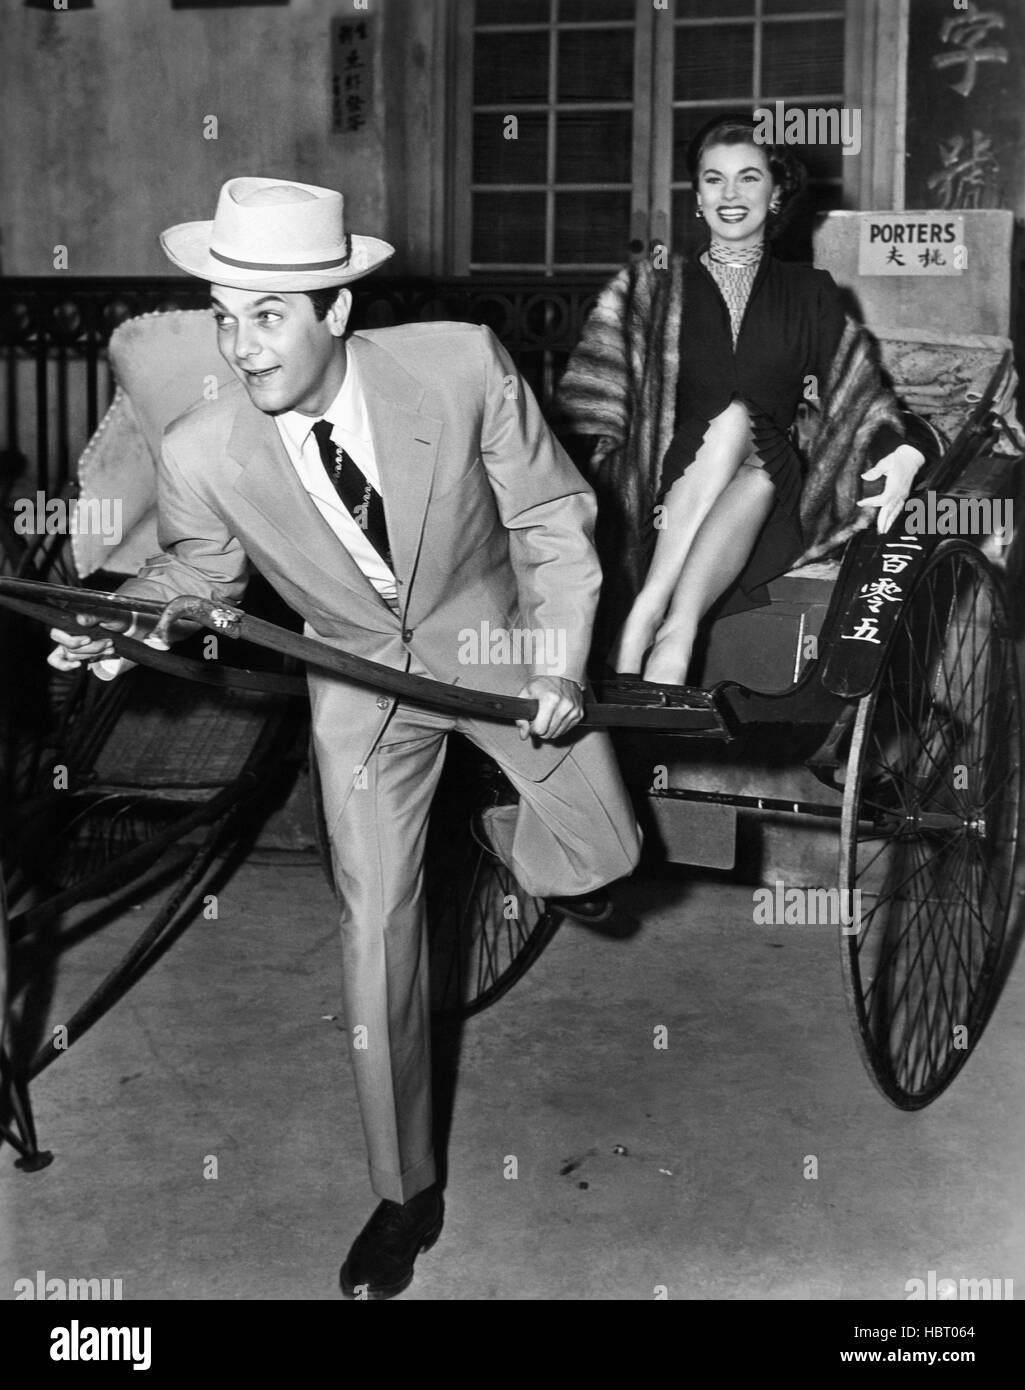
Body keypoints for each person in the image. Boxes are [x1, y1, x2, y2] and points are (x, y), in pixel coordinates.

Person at [49, 177, 641, 1299]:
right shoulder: (203, 450)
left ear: (336, 310)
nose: (242, 344)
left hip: (495, 643)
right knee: (374, 926)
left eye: (267, 314)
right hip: (356, 678)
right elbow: (198, 573)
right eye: (225, 315)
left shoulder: (458, 366)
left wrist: (559, 659)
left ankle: (515, 832)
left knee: (608, 853)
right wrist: (121, 622)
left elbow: (550, 517)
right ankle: (403, 1189)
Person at [555, 113, 929, 684]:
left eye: (749, 178)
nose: (730, 195)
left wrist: (902, 449)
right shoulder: (651, 286)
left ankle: (657, 629)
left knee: (755, 456)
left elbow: (858, 391)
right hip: (656, 486)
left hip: (768, 494)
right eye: (713, 179)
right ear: (698, 196)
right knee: (733, 422)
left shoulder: (811, 292)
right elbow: (590, 400)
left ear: (776, 193)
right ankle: (661, 625)